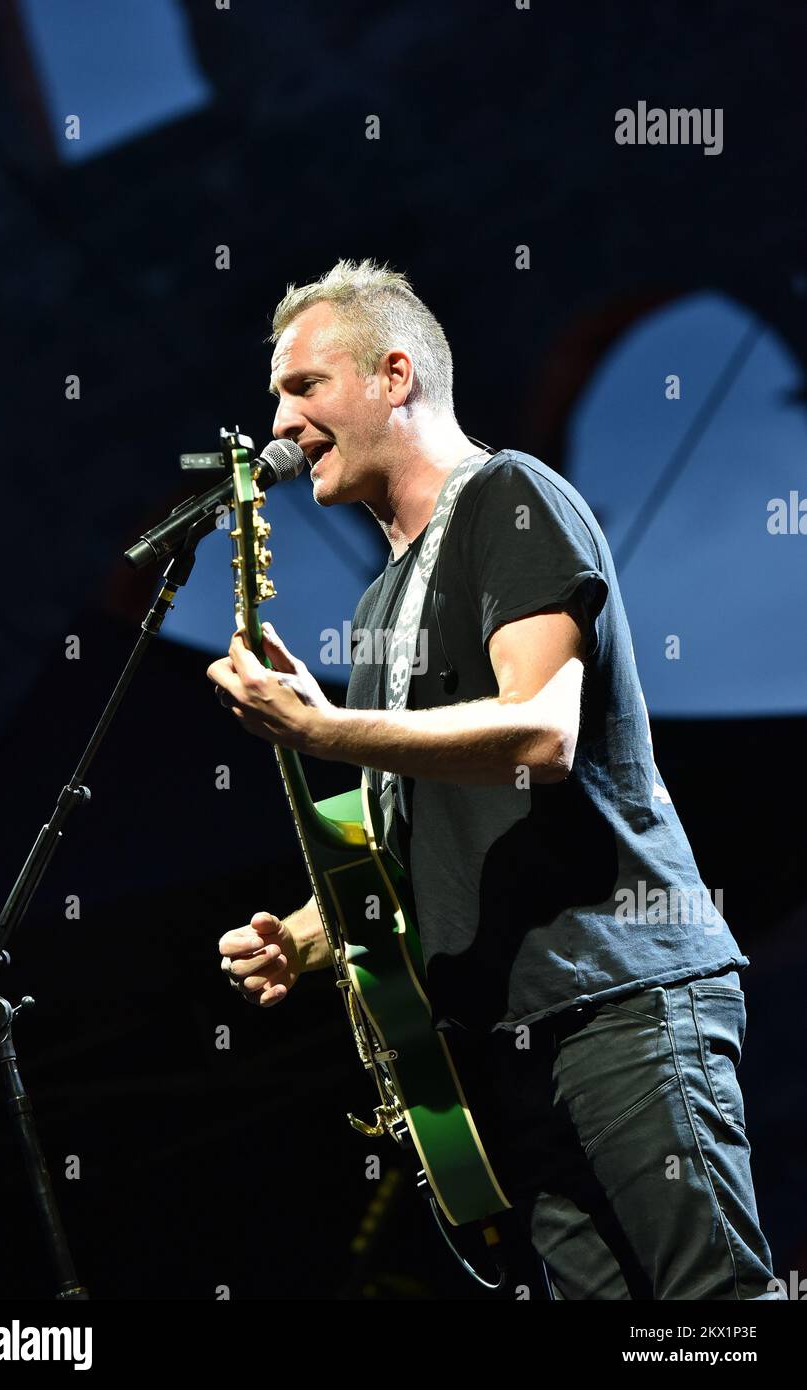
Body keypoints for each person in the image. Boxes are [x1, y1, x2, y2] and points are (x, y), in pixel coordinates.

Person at [206, 258, 781, 1300]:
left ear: (393, 375)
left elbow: (539, 730)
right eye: (276, 397)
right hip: (499, 1047)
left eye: (303, 388)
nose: (281, 424)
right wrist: (302, 932)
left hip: (615, 999)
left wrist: (333, 727)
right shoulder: (380, 604)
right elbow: (411, 827)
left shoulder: (506, 499)